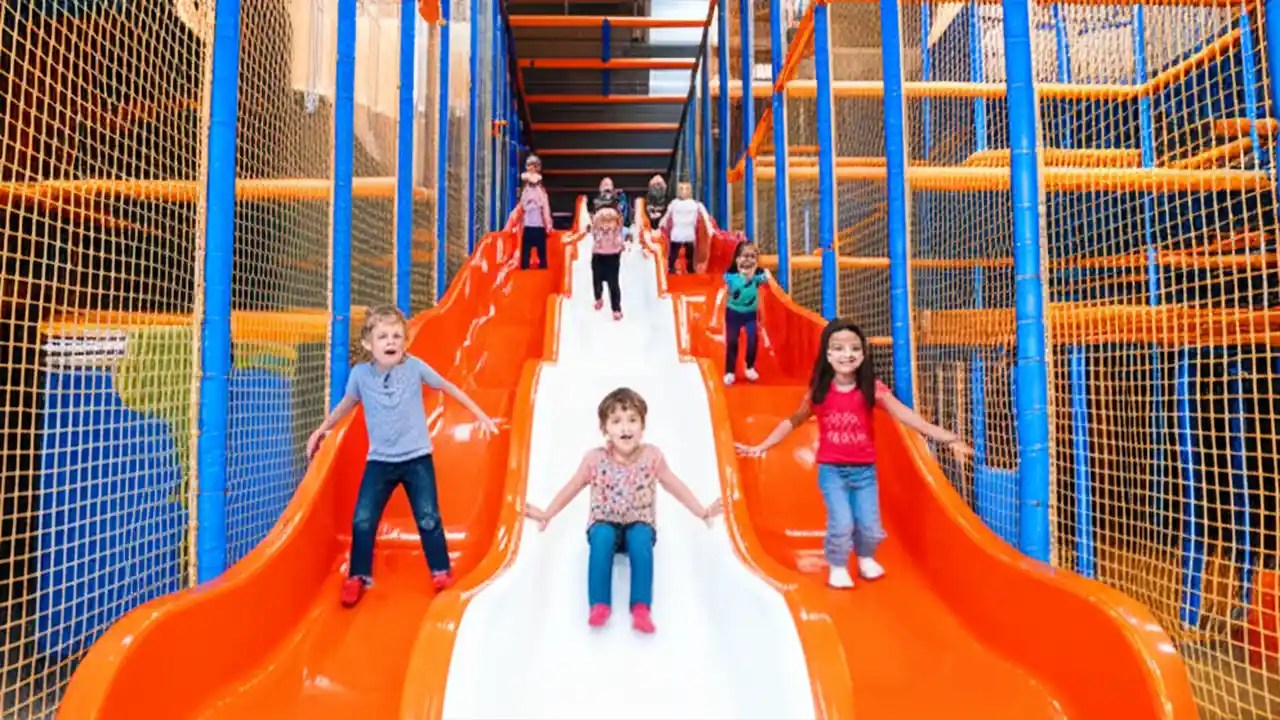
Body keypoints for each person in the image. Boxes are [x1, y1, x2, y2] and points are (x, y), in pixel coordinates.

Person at [735, 319, 972, 589]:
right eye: (839, 348)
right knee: (842, 522)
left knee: (870, 527)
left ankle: (865, 557)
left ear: (862, 354)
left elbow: (907, 416)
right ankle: (837, 565)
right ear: (828, 354)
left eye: (854, 348)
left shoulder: (871, 388)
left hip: (864, 472)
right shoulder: (820, 392)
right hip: (832, 472)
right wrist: (762, 446)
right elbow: (794, 420)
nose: (847, 354)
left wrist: (948, 437)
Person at [307, 305, 499, 607]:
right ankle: (358, 575)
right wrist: (321, 429)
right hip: (380, 461)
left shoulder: (415, 367)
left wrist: (482, 416)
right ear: (369, 344)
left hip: (416, 458)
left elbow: (448, 387)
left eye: (397, 335)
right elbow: (347, 404)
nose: (391, 341)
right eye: (382, 336)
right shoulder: (360, 375)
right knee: (363, 519)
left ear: (405, 342)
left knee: (428, 517)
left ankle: (440, 570)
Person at [525, 388, 723, 633]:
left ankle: (641, 607)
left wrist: (702, 511)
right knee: (601, 537)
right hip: (604, 522)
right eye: (616, 421)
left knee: (641, 540)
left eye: (632, 420)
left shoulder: (652, 456)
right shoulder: (594, 459)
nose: (625, 428)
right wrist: (547, 514)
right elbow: (572, 487)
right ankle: (599, 604)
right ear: (605, 429)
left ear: (643, 425)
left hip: (639, 522)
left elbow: (674, 485)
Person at [723, 240, 770, 385]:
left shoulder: (757, 277)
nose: (748, 260)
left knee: (752, 339)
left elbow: (766, 278)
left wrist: (758, 270)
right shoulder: (731, 277)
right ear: (737, 258)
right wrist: (743, 273)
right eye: (745, 256)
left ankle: (749, 366)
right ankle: (730, 371)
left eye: (752, 257)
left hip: (750, 314)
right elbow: (729, 286)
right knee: (732, 341)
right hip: (733, 313)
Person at [509, 154, 553, 269]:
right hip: (528, 225)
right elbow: (522, 206)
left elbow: (545, 209)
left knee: (541, 253)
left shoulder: (540, 191)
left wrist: (548, 225)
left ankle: (543, 272)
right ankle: (525, 270)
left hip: (538, 225)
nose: (531, 168)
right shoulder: (526, 191)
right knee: (526, 253)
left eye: (533, 166)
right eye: (529, 166)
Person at [658, 180, 707, 275]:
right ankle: (674, 270)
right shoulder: (678, 204)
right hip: (680, 233)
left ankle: (680, 270)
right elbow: (665, 218)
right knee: (676, 255)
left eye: (686, 189)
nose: (684, 191)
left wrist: (660, 226)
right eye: (682, 189)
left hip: (684, 234)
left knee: (685, 255)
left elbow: (665, 218)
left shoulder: (695, 204)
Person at [589, 205, 625, 320]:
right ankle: (598, 297)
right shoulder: (598, 232)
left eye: (610, 222)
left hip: (612, 257)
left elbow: (619, 240)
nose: (606, 225)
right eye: (603, 222)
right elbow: (593, 232)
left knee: (613, 284)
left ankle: (616, 309)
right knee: (597, 280)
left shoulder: (616, 233)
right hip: (599, 257)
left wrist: (620, 245)